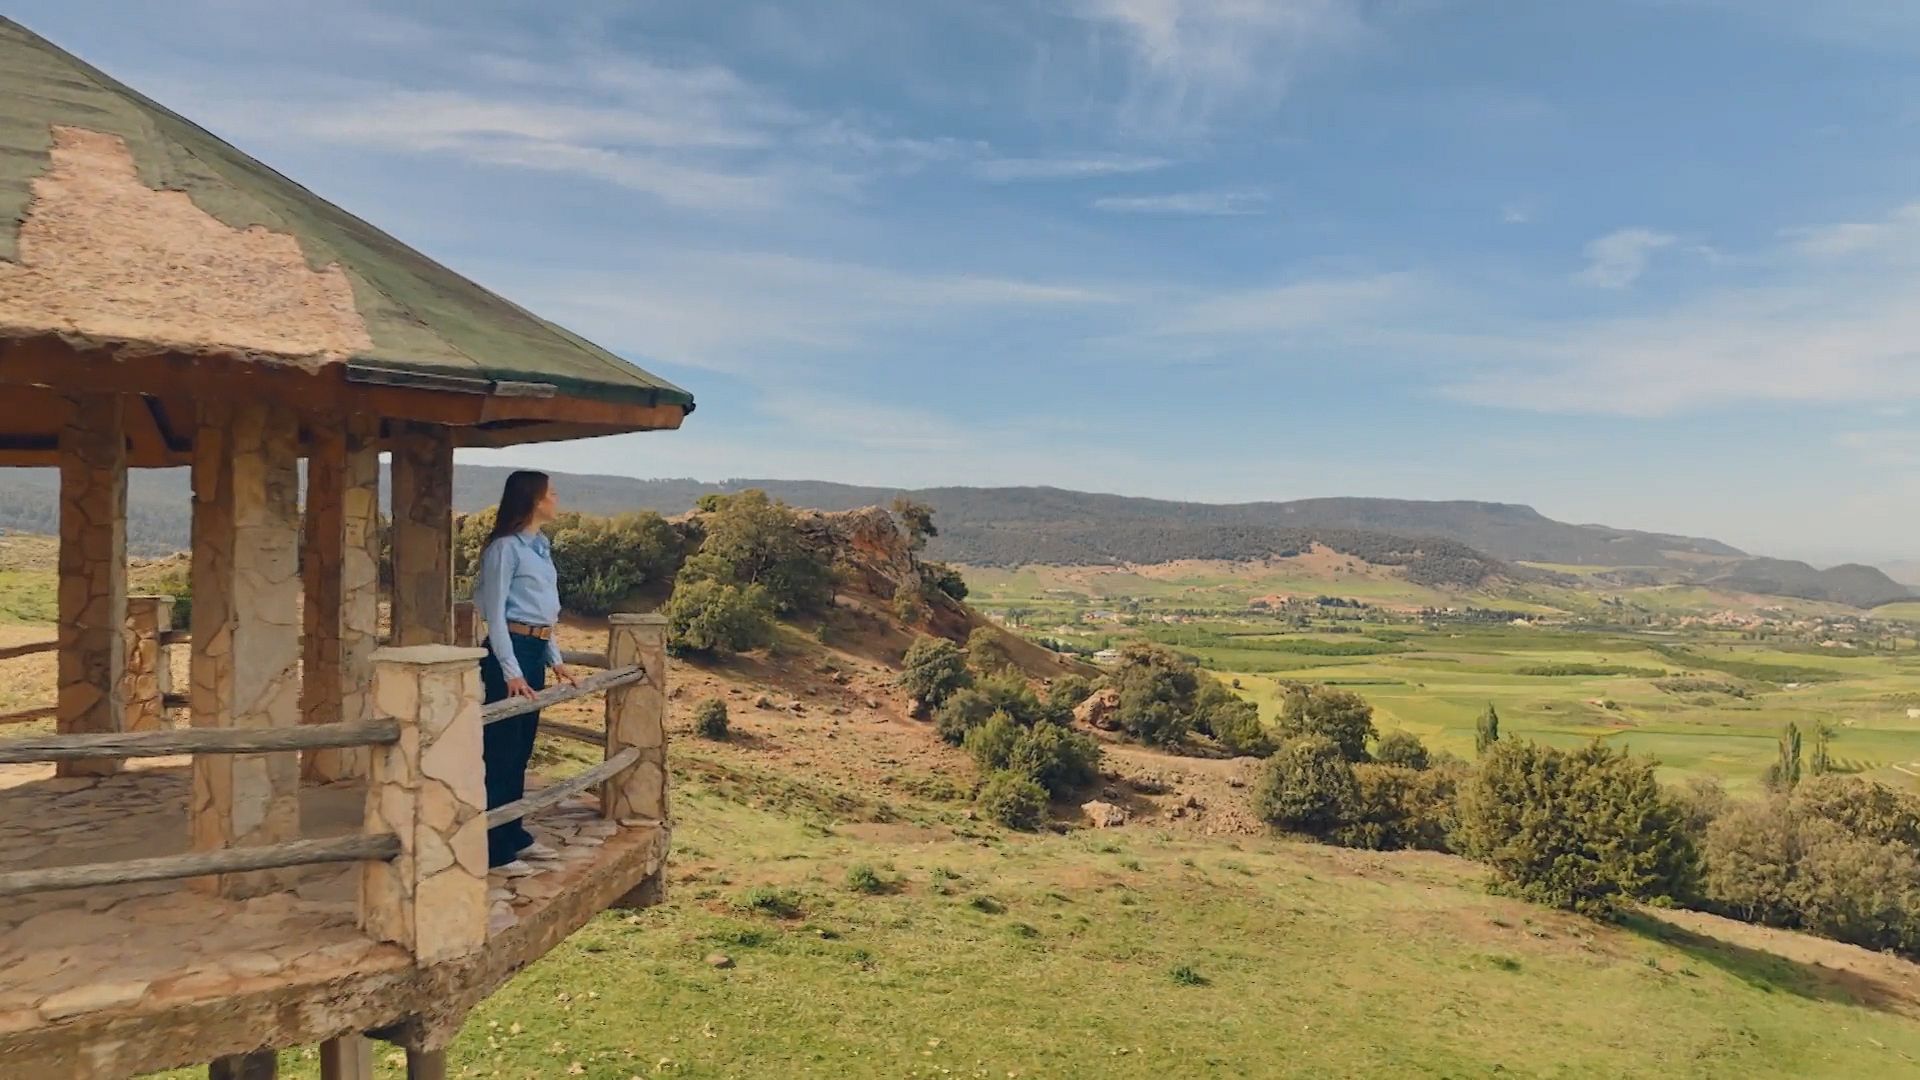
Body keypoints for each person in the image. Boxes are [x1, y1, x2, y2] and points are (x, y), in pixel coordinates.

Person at [472, 470, 576, 870]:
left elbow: (544, 612)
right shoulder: (504, 549)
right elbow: (495, 616)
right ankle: (494, 850)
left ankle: (513, 833)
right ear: (533, 500)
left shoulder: (540, 546)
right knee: (500, 751)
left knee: (520, 750)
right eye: (551, 493)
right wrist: (510, 670)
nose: (556, 498)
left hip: (533, 648)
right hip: (510, 651)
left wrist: (555, 659)